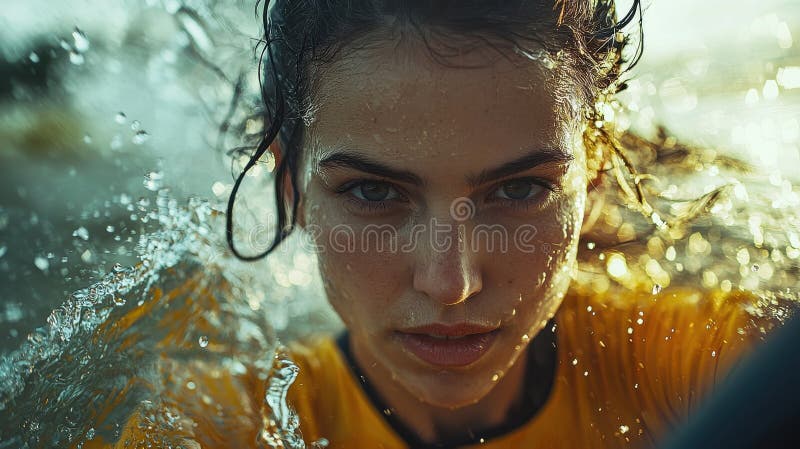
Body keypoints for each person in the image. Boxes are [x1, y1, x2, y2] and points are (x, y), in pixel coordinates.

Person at [83, 1, 791, 448]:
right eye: (371, 191)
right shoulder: (218, 427)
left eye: (519, 187)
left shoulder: (696, 365)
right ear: (291, 184)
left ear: (595, 171)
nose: (449, 282)